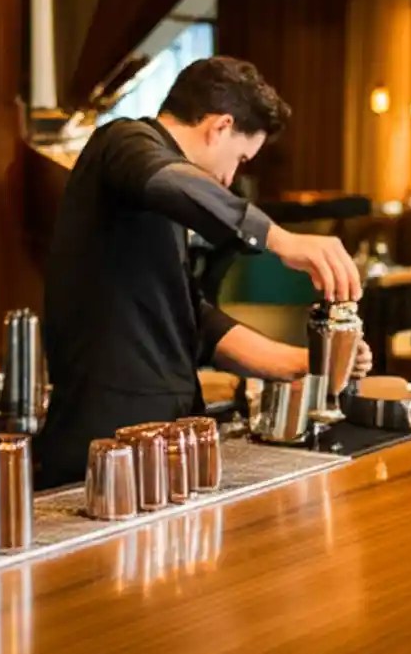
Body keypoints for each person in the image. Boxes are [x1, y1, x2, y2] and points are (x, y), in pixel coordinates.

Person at [35, 56, 372, 489]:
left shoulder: (159, 203)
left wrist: (311, 364)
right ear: (219, 126)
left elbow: (193, 320)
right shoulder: (121, 144)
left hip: (164, 442)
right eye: (240, 158)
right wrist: (280, 240)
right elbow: (165, 179)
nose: (230, 180)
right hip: (107, 448)